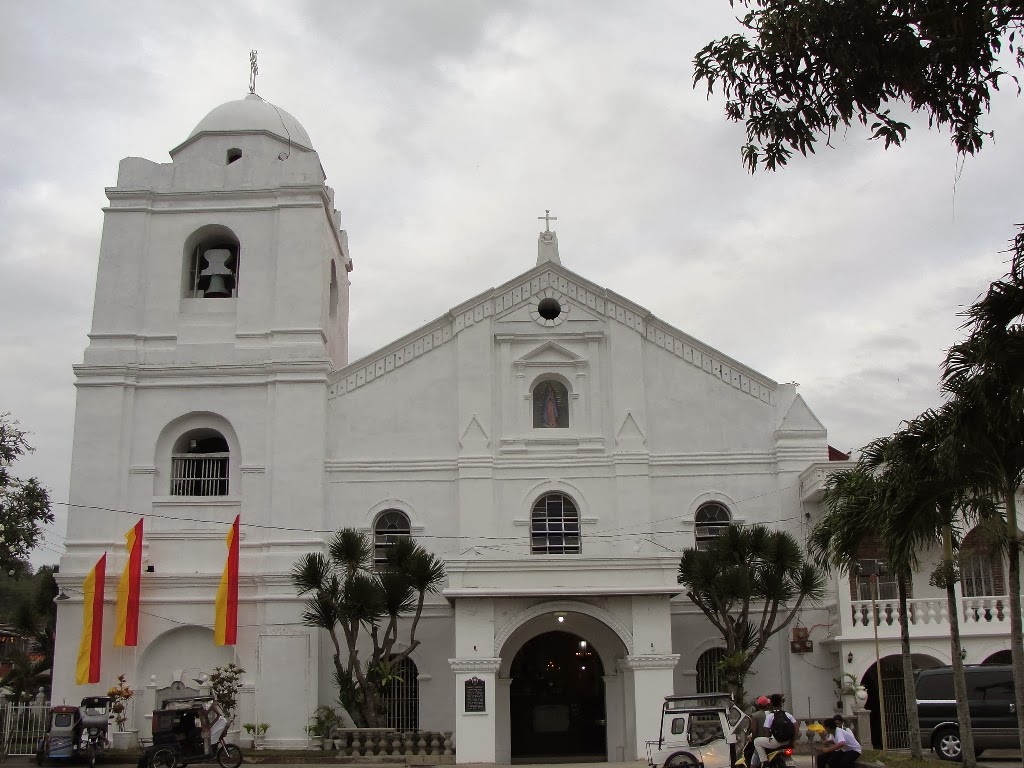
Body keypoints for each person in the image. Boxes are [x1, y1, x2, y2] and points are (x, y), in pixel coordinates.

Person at [753, 693, 797, 766]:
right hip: (787, 742)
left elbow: (766, 729)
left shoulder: (770, 715)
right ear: (781, 703)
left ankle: (764, 761)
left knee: (756, 741)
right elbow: (796, 727)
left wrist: (768, 738)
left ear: (771, 703)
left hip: (776, 742)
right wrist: (793, 741)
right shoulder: (787, 714)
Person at [746, 696, 772, 767]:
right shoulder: (771, 714)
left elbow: (754, 730)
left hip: (761, 743)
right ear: (767, 705)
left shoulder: (754, 716)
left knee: (753, 764)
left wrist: (752, 740)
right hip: (772, 741)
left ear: (758, 705)